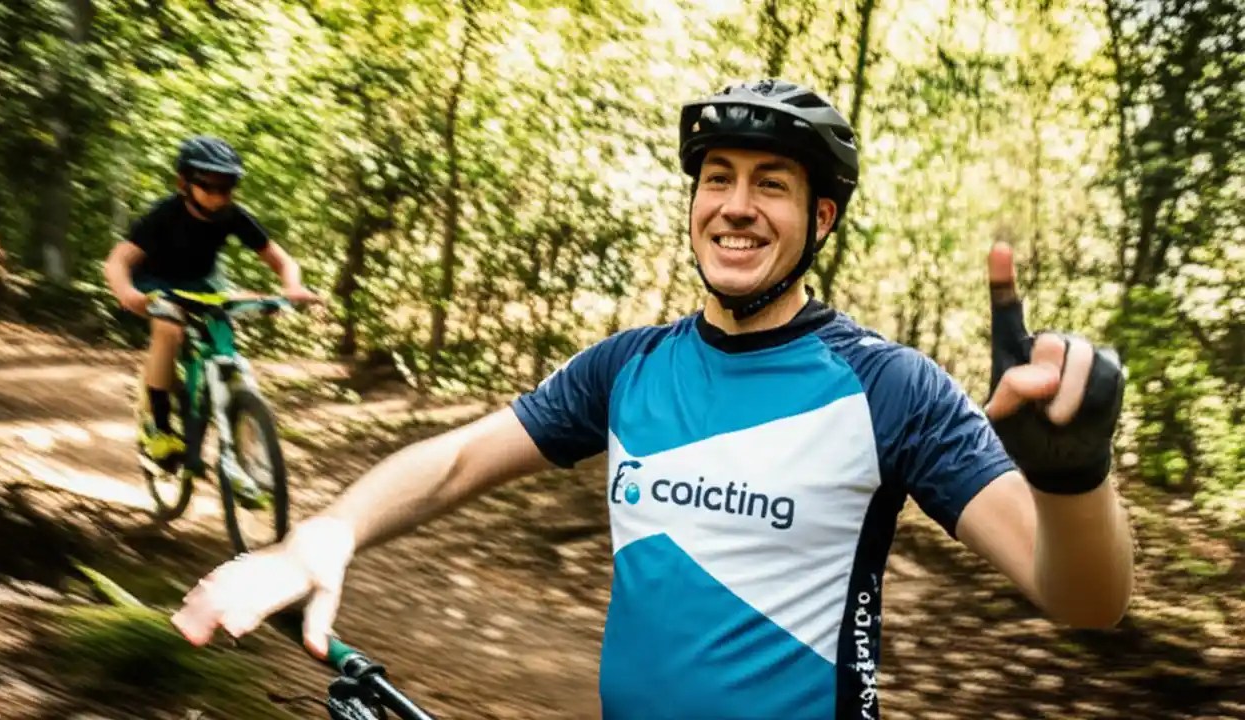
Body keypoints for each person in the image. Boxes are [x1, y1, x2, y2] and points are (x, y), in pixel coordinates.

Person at [171, 81, 1134, 719]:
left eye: (772, 184)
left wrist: (1074, 479)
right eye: (717, 179)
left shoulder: (889, 388)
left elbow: (1082, 598)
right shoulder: (628, 367)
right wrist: (322, 537)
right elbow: (459, 459)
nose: (736, 205)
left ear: (820, 218)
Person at [103, 136, 319, 464]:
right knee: (168, 327)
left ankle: (241, 429)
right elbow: (118, 260)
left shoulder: (233, 216)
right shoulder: (165, 214)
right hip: (158, 283)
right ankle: (159, 429)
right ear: (183, 183)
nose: (219, 196)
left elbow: (282, 260)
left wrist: (292, 287)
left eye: (227, 187)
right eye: (209, 186)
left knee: (235, 319)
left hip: (204, 284)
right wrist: (127, 293)